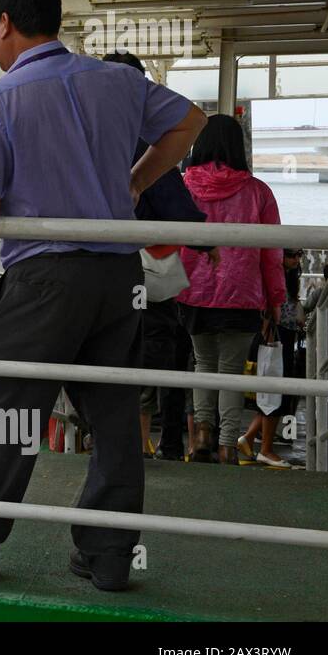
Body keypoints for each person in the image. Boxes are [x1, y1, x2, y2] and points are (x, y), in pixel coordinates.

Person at [0, 0, 205, 592]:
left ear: (4, 24)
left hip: (43, 279)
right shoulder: (117, 82)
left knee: (6, 412)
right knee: (112, 416)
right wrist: (134, 181)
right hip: (116, 276)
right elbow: (190, 121)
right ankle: (108, 556)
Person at [103, 52, 214, 462]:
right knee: (156, 362)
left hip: (92, 271)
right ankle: (147, 448)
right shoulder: (147, 146)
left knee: (103, 358)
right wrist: (206, 243)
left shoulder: (89, 138)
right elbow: (175, 207)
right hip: (146, 278)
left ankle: (108, 445)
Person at [175, 114, 285, 465]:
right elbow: (272, 254)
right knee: (231, 370)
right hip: (243, 294)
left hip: (193, 290)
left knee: (203, 363)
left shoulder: (183, 186)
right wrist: (276, 299)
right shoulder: (258, 192)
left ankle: (201, 437)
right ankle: (226, 446)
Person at [236, 249, 303, 469]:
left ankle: (247, 439)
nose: (297, 259)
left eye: (300, 255)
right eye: (292, 255)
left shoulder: (288, 274)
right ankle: (265, 449)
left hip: (279, 335)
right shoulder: (276, 275)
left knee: (270, 395)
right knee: (273, 392)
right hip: (276, 337)